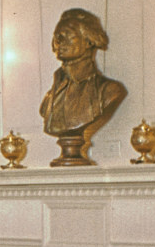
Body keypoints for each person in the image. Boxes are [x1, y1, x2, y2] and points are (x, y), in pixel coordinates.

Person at [39, 8, 126, 164]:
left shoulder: (109, 91)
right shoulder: (48, 99)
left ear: (88, 41)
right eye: (58, 37)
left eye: (69, 36)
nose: (60, 42)